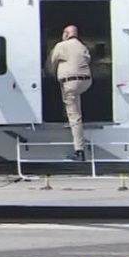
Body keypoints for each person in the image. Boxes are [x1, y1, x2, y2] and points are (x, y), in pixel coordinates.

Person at [47, 25, 92, 161]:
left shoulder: (61, 46)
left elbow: (51, 62)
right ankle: (70, 119)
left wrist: (51, 75)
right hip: (86, 82)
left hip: (70, 83)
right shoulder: (82, 46)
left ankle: (79, 151)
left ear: (66, 34)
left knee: (74, 115)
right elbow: (88, 60)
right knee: (75, 101)